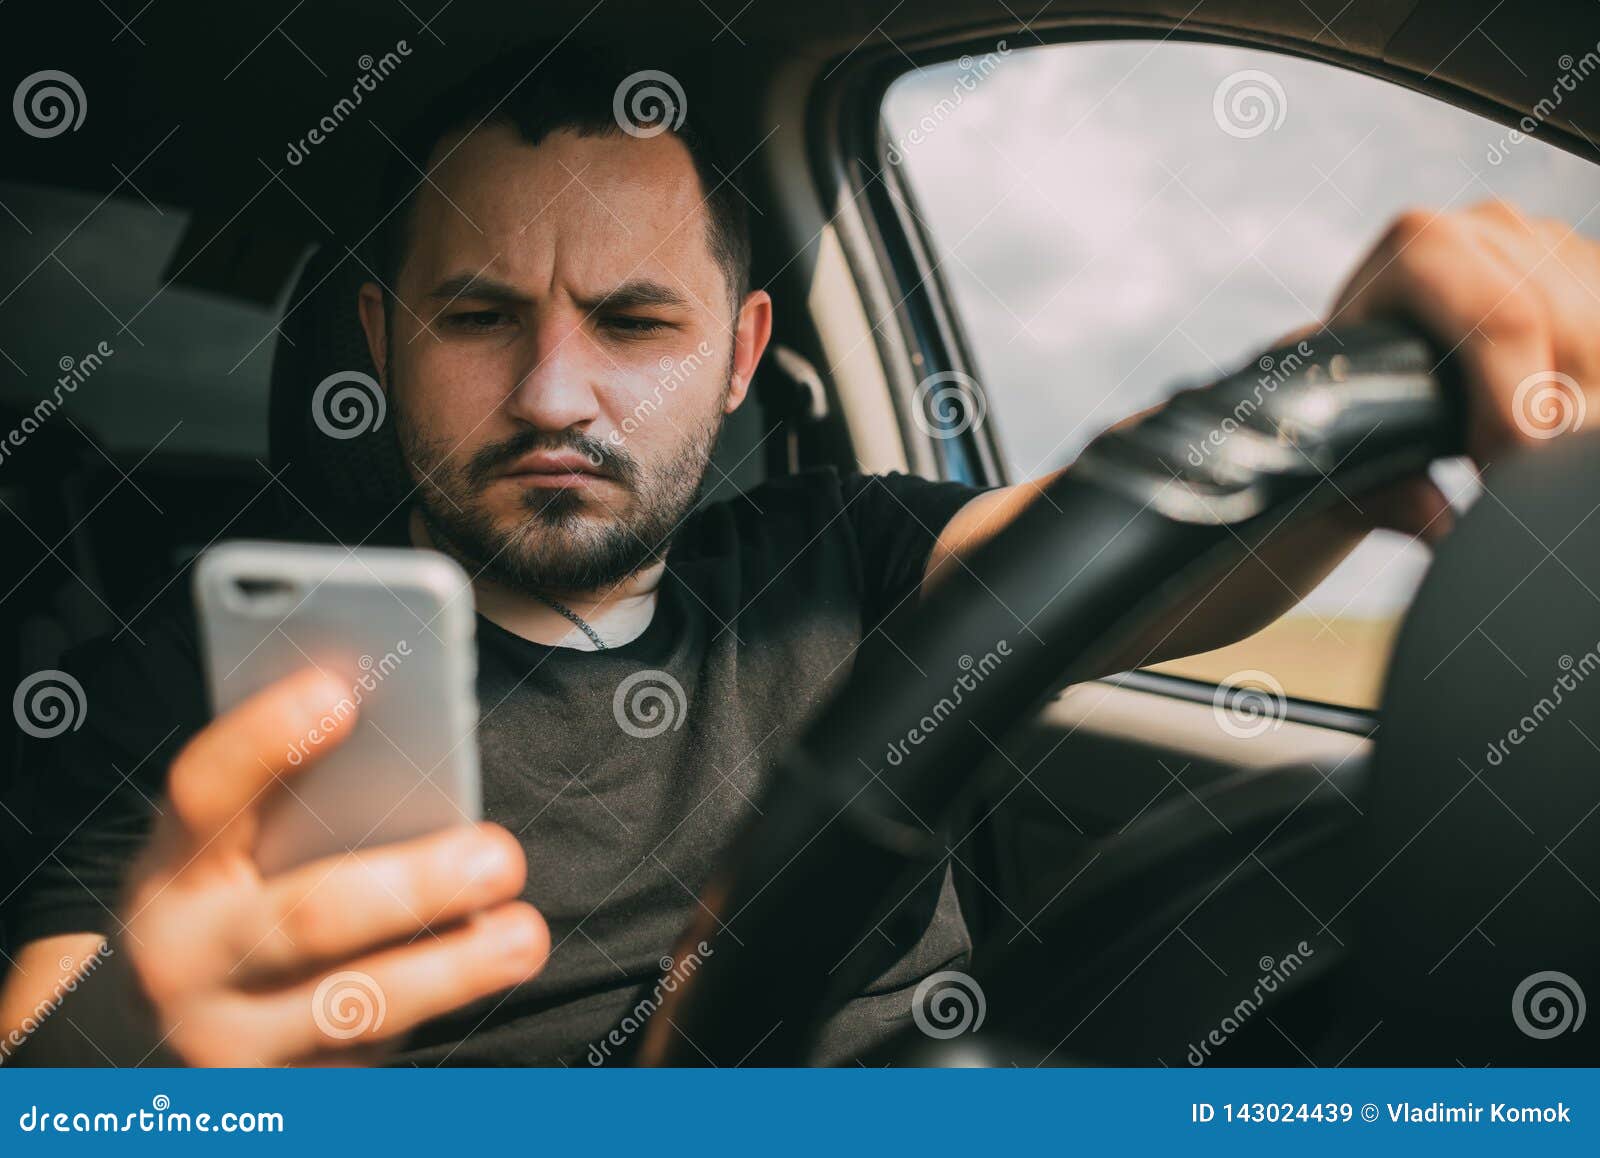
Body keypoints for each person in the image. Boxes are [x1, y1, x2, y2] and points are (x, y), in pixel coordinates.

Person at [2, 46, 1596, 1067]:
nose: (556, 391)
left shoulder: (843, 551)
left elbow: (1146, 553)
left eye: (634, 322)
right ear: (381, 337)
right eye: (480, 315)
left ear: (745, 348)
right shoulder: (207, 661)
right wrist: (138, 1048)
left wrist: (1348, 371)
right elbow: (45, 1049)